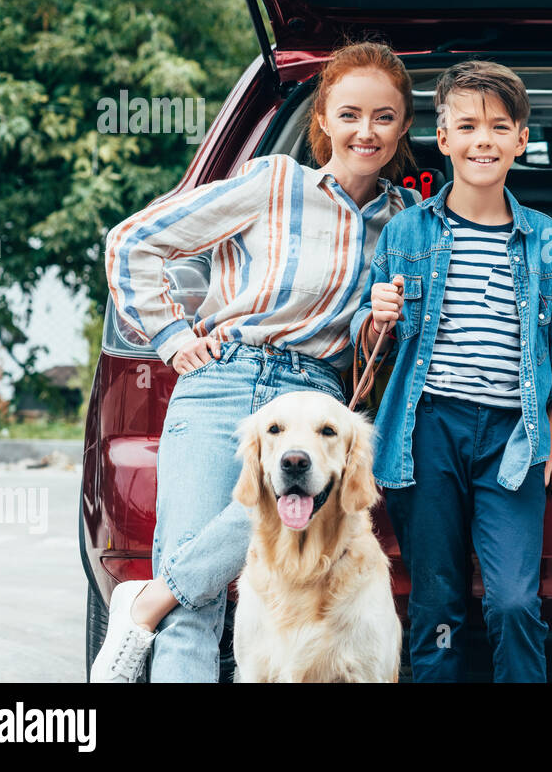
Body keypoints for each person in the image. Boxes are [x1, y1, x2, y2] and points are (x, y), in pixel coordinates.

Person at [92, 41, 421, 682]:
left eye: (384, 117)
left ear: (403, 127)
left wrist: (378, 320)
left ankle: (147, 598)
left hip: (313, 396)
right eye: (350, 114)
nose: (366, 131)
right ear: (322, 119)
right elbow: (133, 241)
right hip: (221, 379)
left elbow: (375, 347)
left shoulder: (405, 224)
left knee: (211, 554)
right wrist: (171, 337)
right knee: (199, 595)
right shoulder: (273, 181)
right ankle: (165, 598)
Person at [351, 60, 552, 682]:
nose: (483, 139)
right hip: (426, 430)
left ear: (519, 138)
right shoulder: (406, 231)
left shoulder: (548, 242)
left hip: (514, 439)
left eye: (499, 127)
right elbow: (370, 343)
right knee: (437, 602)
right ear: (445, 138)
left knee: (514, 601)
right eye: (468, 126)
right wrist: (377, 317)